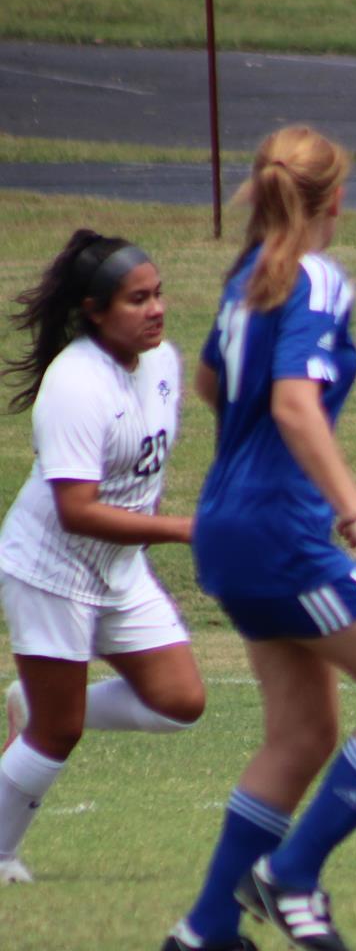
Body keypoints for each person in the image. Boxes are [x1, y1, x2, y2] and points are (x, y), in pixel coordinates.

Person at [163, 125, 356, 951]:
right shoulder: (317, 278)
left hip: (226, 528)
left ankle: (207, 932)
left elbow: (210, 382)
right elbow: (294, 404)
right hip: (281, 536)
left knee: (303, 733)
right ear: (336, 199)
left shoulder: (248, 276)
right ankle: (290, 872)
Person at [0, 231, 208, 887]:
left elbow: (142, 467)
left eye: (159, 294)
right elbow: (76, 509)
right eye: (136, 299)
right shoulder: (74, 384)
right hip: (51, 570)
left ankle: (31, 703)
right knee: (59, 733)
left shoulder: (163, 362)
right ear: (94, 310)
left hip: (118, 567)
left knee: (180, 701)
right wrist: (183, 529)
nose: (156, 309)